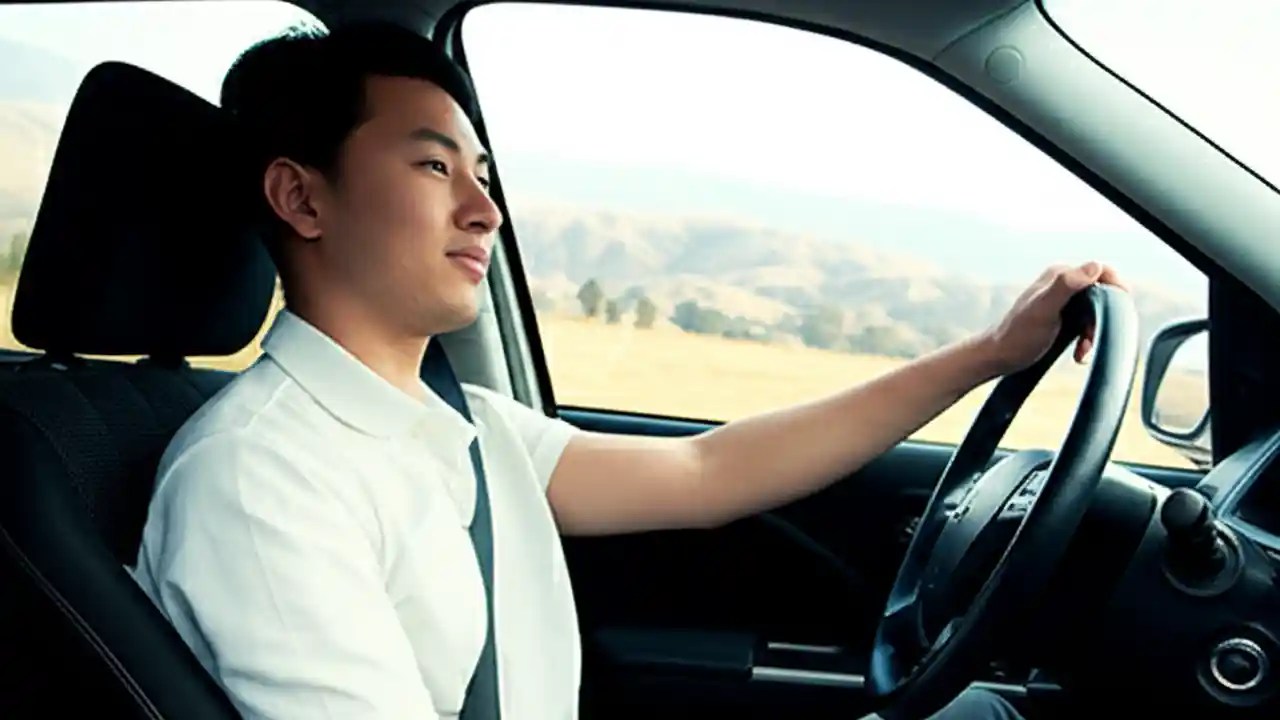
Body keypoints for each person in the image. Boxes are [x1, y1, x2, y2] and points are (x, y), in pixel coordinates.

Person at [130, 20, 1126, 720]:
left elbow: (706, 475)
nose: (484, 210)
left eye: (483, 175)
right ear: (300, 200)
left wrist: (990, 354)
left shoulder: (460, 423)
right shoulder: (261, 482)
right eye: (434, 167)